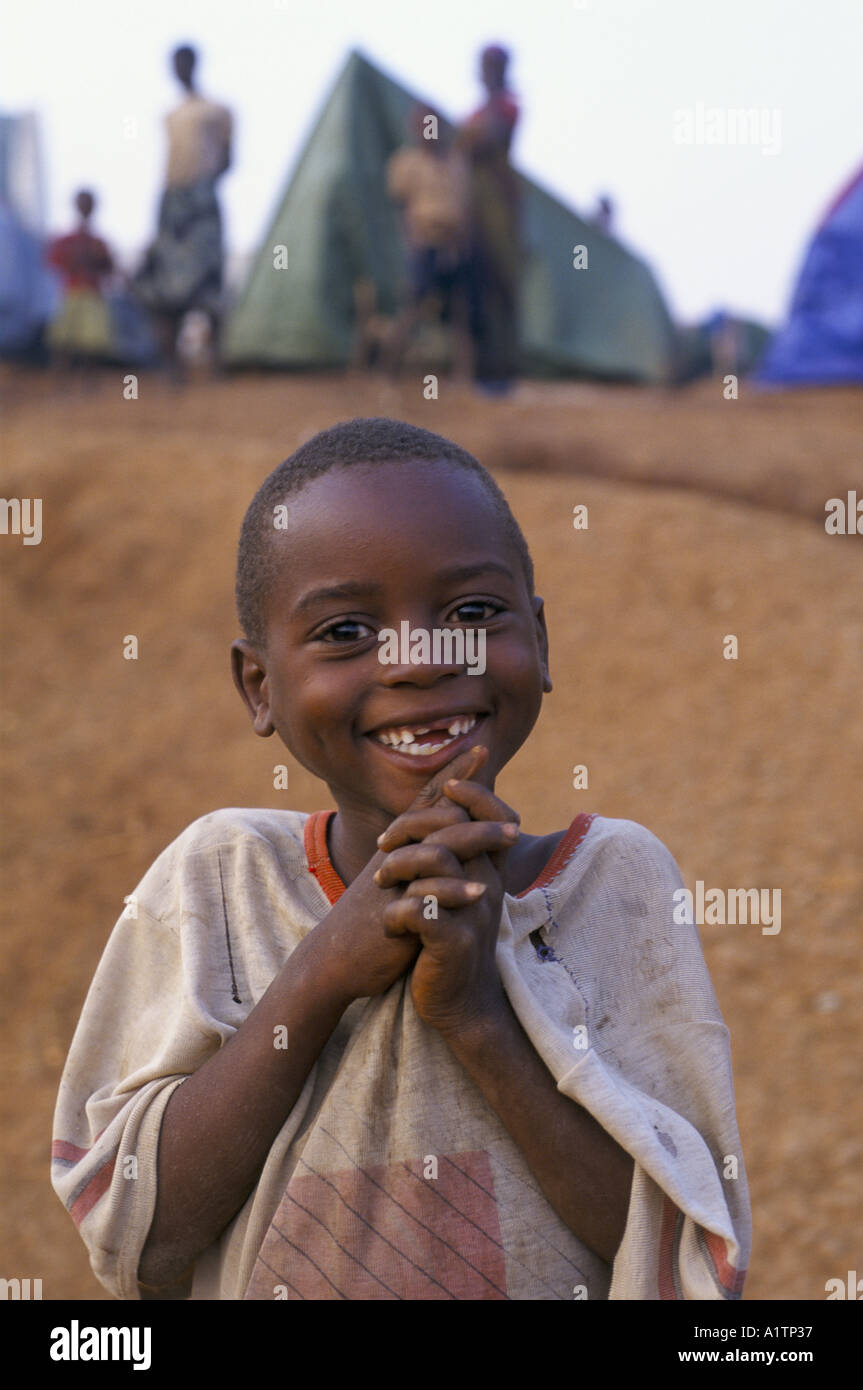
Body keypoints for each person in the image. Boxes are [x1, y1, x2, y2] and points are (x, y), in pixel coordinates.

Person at [52, 418, 750, 1301]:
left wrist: (480, 1020)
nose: (421, 661)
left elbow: (684, 1270)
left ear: (538, 642)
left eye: (471, 613)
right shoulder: (219, 879)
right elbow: (134, 1240)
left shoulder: (613, 883)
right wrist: (323, 970)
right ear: (258, 686)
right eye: (346, 630)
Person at [133, 44, 232, 378]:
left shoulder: (217, 111)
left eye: (183, 63)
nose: (179, 70)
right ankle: (172, 365)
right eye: (174, 64)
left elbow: (227, 159)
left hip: (202, 204)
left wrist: (200, 193)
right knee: (165, 286)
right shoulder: (170, 116)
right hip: (171, 203)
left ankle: (215, 363)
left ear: (195, 64)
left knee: (207, 280)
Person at [386, 106, 472, 379]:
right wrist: (413, 239)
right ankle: (390, 370)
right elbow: (401, 206)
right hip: (424, 243)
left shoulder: (456, 163)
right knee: (414, 305)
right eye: (423, 126)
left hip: (454, 245)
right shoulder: (407, 163)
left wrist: (461, 242)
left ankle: (463, 377)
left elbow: (464, 206)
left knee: (461, 310)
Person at [458, 44, 522, 391]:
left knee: (502, 284)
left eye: (490, 66)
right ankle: (481, 373)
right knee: (477, 286)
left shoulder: (507, 106)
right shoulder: (479, 113)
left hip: (500, 206)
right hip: (474, 209)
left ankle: (503, 373)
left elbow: (490, 137)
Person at [46, 189, 114, 364]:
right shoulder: (67, 240)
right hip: (71, 293)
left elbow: (109, 267)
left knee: (91, 344)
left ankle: (86, 383)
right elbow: (53, 263)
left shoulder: (98, 242)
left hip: (92, 294)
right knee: (63, 341)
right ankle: (61, 381)